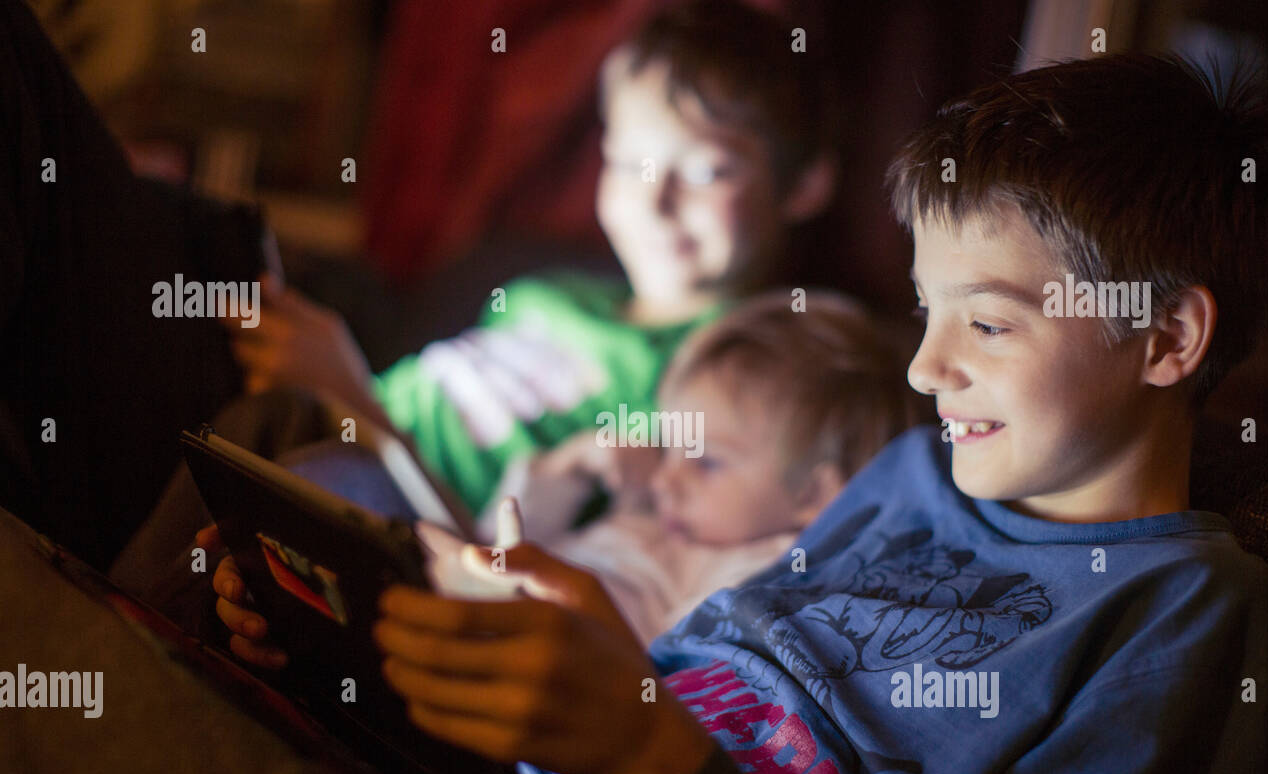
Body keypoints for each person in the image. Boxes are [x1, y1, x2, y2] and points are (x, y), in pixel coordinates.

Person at [214, 53, 1268, 774]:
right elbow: (685, 680)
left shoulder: (1189, 606)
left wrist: (647, 754)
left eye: (992, 324)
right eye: (927, 312)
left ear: (1165, 338)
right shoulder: (910, 475)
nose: (923, 368)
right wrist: (358, 650)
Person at [109, 0, 838, 597]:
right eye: (629, 161)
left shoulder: (725, 376)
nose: (655, 201)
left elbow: (508, 566)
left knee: (275, 430)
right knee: (166, 246)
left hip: (397, 516)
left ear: (805, 185)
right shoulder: (547, 290)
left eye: (708, 170)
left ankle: (121, 624)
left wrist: (351, 402)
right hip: (320, 405)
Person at [478, 290, 923, 647]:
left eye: (707, 462)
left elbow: (658, 673)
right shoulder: (659, 511)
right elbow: (492, 543)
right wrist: (567, 468)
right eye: (672, 446)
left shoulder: (757, 582)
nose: (666, 477)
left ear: (812, 496)